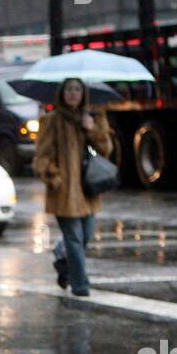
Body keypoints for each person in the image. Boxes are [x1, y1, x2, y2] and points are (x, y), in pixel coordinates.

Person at [33, 77, 114, 298]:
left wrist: (92, 130)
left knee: (85, 235)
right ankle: (80, 285)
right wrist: (54, 177)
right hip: (64, 192)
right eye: (69, 89)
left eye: (78, 89)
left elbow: (106, 150)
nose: (73, 93)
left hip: (88, 189)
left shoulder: (92, 118)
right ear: (62, 93)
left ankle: (62, 257)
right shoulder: (52, 121)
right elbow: (41, 158)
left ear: (83, 93)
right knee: (75, 239)